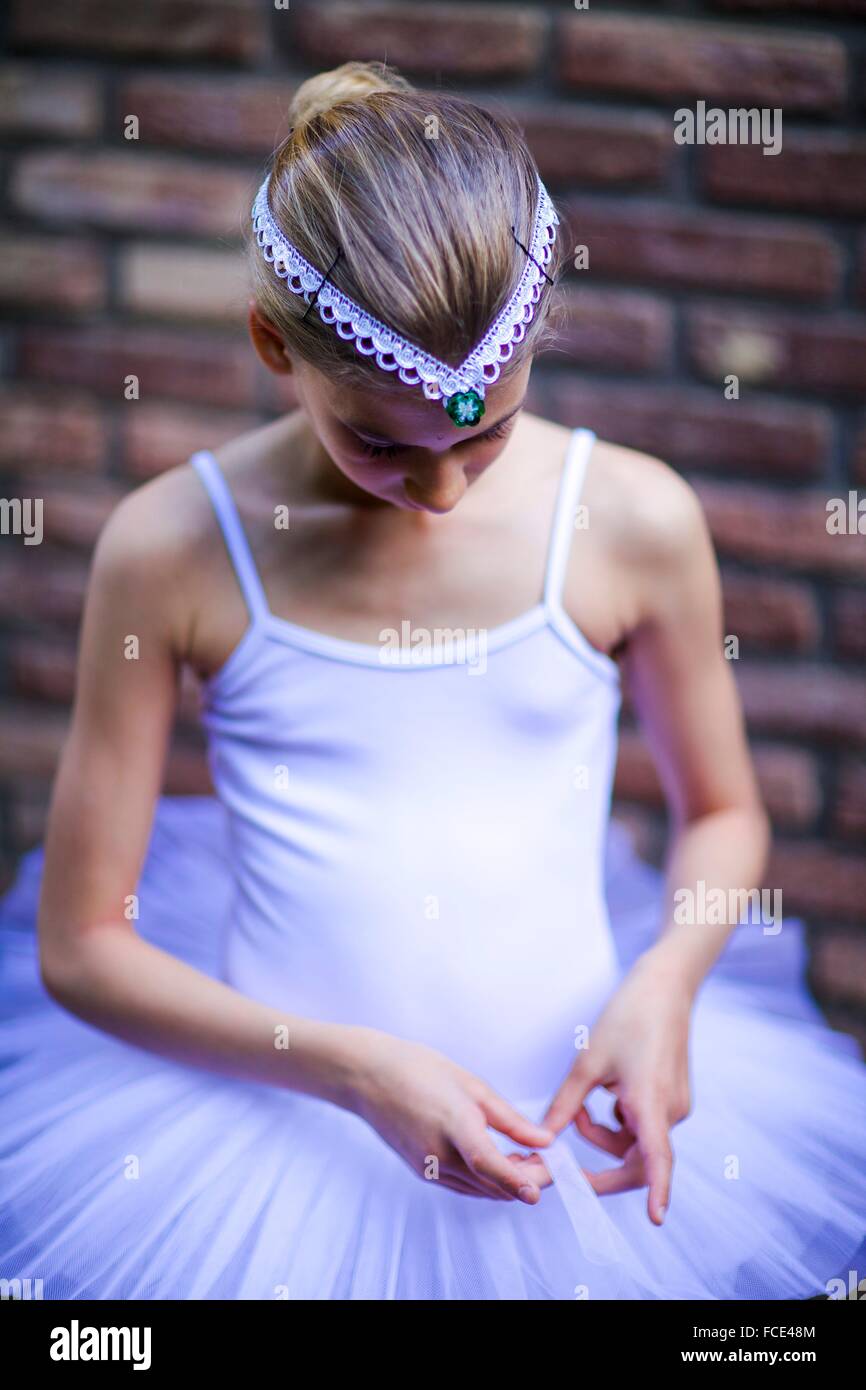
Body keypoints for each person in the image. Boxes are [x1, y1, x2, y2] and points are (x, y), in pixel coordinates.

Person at [1, 61, 864, 1301]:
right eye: (381, 444)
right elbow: (83, 945)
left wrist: (662, 988)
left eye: (483, 432)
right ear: (269, 346)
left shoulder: (630, 521)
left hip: (573, 1125)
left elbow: (722, 812)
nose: (443, 489)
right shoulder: (171, 549)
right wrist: (353, 1071)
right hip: (279, 1139)